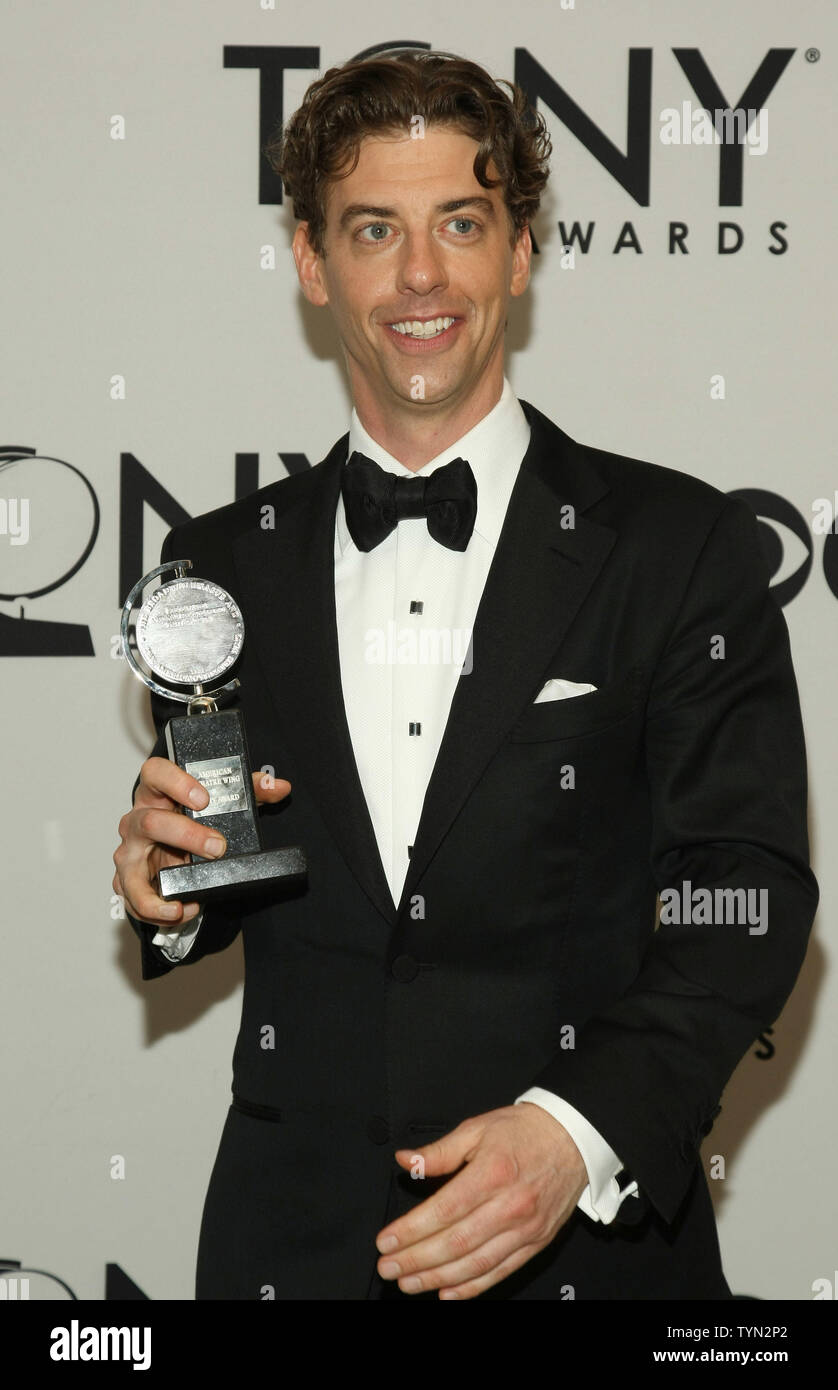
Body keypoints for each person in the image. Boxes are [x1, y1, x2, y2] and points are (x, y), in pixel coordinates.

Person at [113, 49, 818, 1301]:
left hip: (589, 1260)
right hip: (295, 1254)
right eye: (375, 228)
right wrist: (168, 892)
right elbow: (234, 877)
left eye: (462, 223)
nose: (422, 275)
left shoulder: (677, 548)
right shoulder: (218, 570)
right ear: (313, 261)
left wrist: (576, 1131)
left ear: (520, 251)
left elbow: (744, 894)